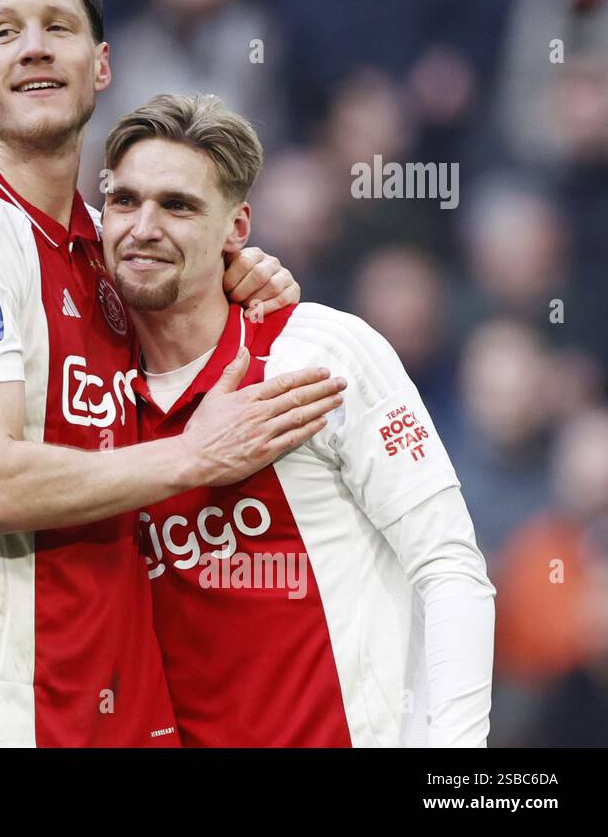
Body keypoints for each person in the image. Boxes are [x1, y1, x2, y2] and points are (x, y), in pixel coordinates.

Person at [0, 0, 346, 748]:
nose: (35, 44)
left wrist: (245, 282)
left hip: (102, 713)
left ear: (102, 65)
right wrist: (193, 457)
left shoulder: (103, 258)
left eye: (58, 26)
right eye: (4, 31)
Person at [100, 92, 494, 746]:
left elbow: (450, 566)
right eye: (125, 200)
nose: (143, 226)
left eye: (178, 205)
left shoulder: (321, 352)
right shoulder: (86, 394)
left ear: (236, 227)